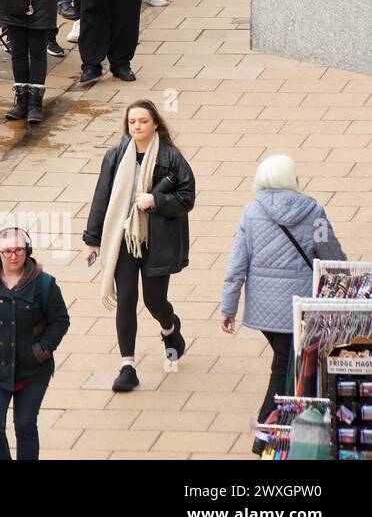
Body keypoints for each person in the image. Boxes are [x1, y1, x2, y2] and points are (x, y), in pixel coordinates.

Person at [220, 155, 346, 448]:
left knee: (288, 363)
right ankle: (265, 435)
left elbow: (237, 263)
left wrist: (228, 307)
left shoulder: (251, 213)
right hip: (300, 308)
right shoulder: (314, 211)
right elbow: (332, 256)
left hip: (265, 312)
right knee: (285, 366)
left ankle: (285, 430)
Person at [84, 100, 195, 392]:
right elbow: (102, 197)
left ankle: (170, 330)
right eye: (132, 122)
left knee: (154, 301)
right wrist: (92, 240)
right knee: (127, 298)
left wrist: (156, 201)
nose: (137, 126)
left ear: (155, 123)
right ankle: (127, 366)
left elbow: (187, 198)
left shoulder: (171, 158)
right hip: (123, 238)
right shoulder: (116, 155)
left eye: (143, 121)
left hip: (158, 241)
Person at [0, 226, 70, 461]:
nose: (13, 255)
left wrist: (42, 350)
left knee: (25, 426)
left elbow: (60, 320)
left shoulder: (45, 284)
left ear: (28, 251)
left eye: (19, 250)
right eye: (7, 251)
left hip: (32, 371)